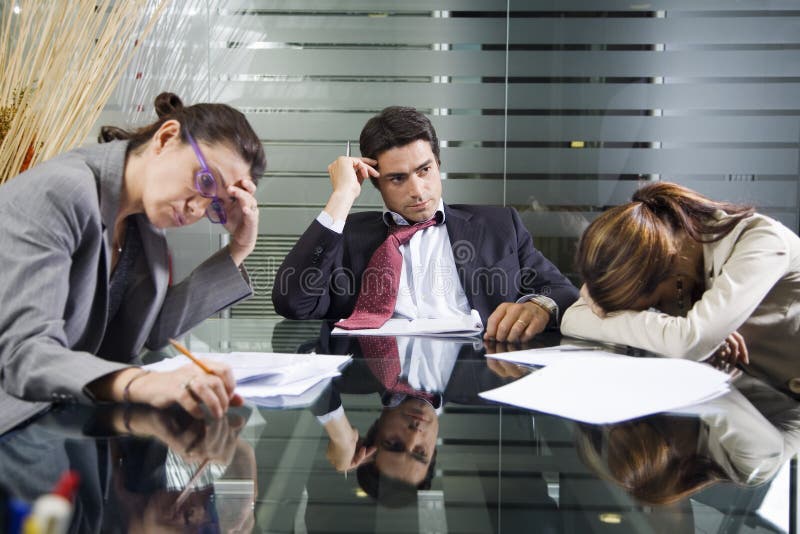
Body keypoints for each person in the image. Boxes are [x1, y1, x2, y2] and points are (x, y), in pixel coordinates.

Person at [0, 92, 266, 434]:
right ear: (166, 138)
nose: (197, 209)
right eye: (204, 181)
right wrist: (141, 383)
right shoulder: (61, 192)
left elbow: (153, 331)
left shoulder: (145, 224)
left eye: (215, 206)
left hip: (62, 425)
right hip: (14, 425)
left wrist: (238, 248)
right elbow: (23, 352)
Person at [272, 106, 578, 342]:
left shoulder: (498, 226)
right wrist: (342, 194)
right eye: (397, 178)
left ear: (439, 165)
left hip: (474, 378)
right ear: (376, 182)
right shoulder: (348, 234)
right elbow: (292, 302)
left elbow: (562, 291)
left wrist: (539, 305)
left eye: (424, 170)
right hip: (376, 378)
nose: (417, 190)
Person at [561, 182, 800, 394]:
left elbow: (688, 342)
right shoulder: (672, 268)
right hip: (760, 401)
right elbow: (572, 318)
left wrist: (693, 334)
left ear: (667, 263)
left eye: (653, 305)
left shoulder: (762, 241)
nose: (658, 312)